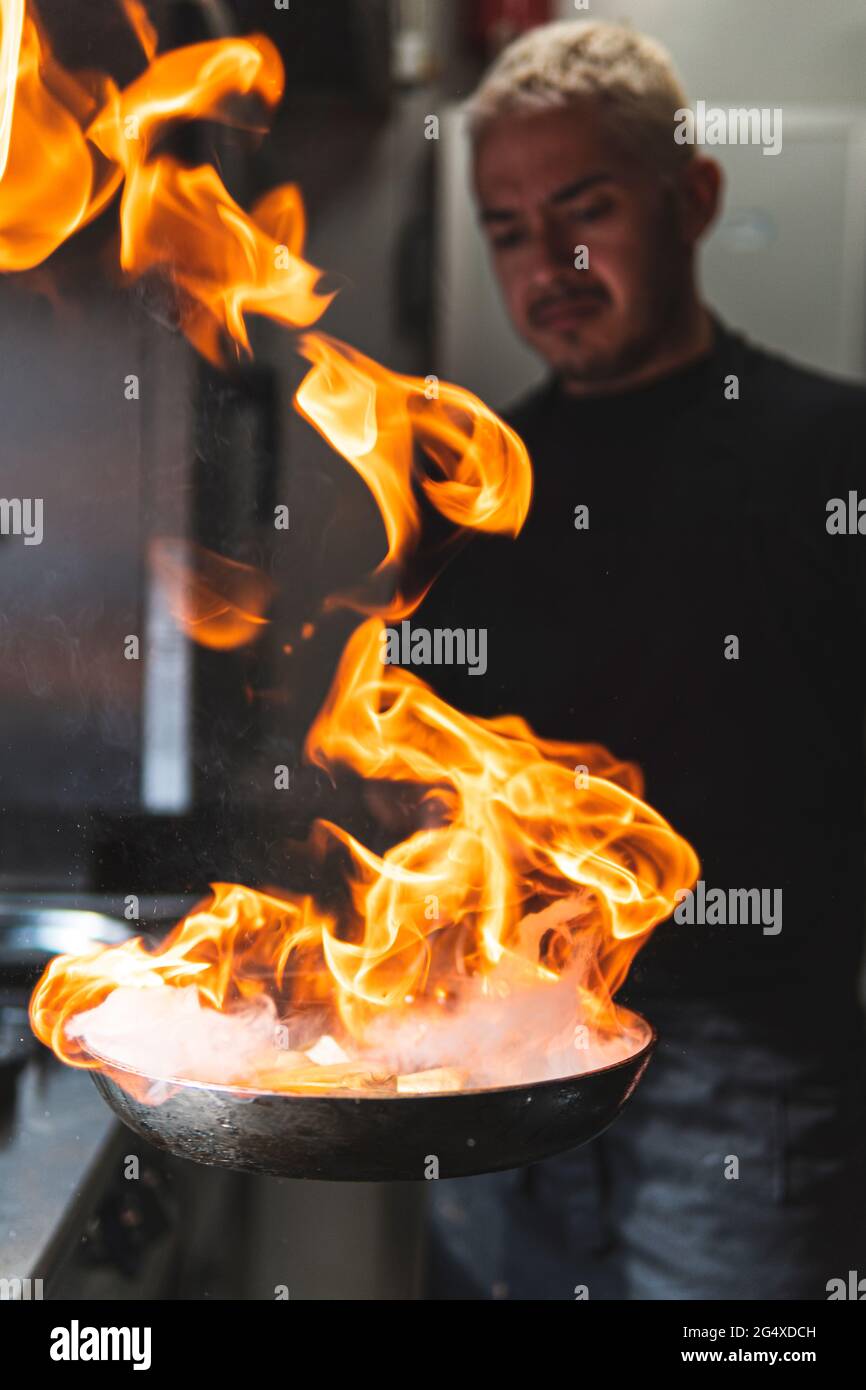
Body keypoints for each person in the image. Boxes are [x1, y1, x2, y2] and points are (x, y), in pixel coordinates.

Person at [418, 19, 866, 1300]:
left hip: (744, 1087)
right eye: (505, 228)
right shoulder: (469, 494)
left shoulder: (831, 456)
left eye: (582, 208)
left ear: (694, 197)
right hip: (501, 1068)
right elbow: (425, 780)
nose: (545, 261)